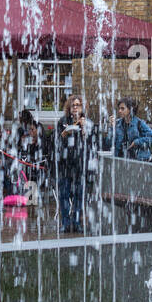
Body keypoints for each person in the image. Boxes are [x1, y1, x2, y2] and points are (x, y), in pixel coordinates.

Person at [56, 95, 93, 233]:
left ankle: (77, 222)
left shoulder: (87, 122)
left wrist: (83, 129)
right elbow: (57, 140)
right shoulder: (63, 121)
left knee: (79, 195)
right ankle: (65, 222)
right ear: (69, 108)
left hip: (80, 165)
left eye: (78, 105)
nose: (75, 107)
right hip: (65, 164)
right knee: (64, 194)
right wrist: (65, 133)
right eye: (73, 105)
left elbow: (90, 142)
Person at [114, 97, 152, 161]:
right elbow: (109, 143)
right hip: (122, 160)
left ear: (130, 109)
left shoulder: (139, 123)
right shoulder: (118, 124)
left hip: (139, 161)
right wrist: (112, 128)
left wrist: (137, 142)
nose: (119, 111)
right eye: (119, 108)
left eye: (122, 109)